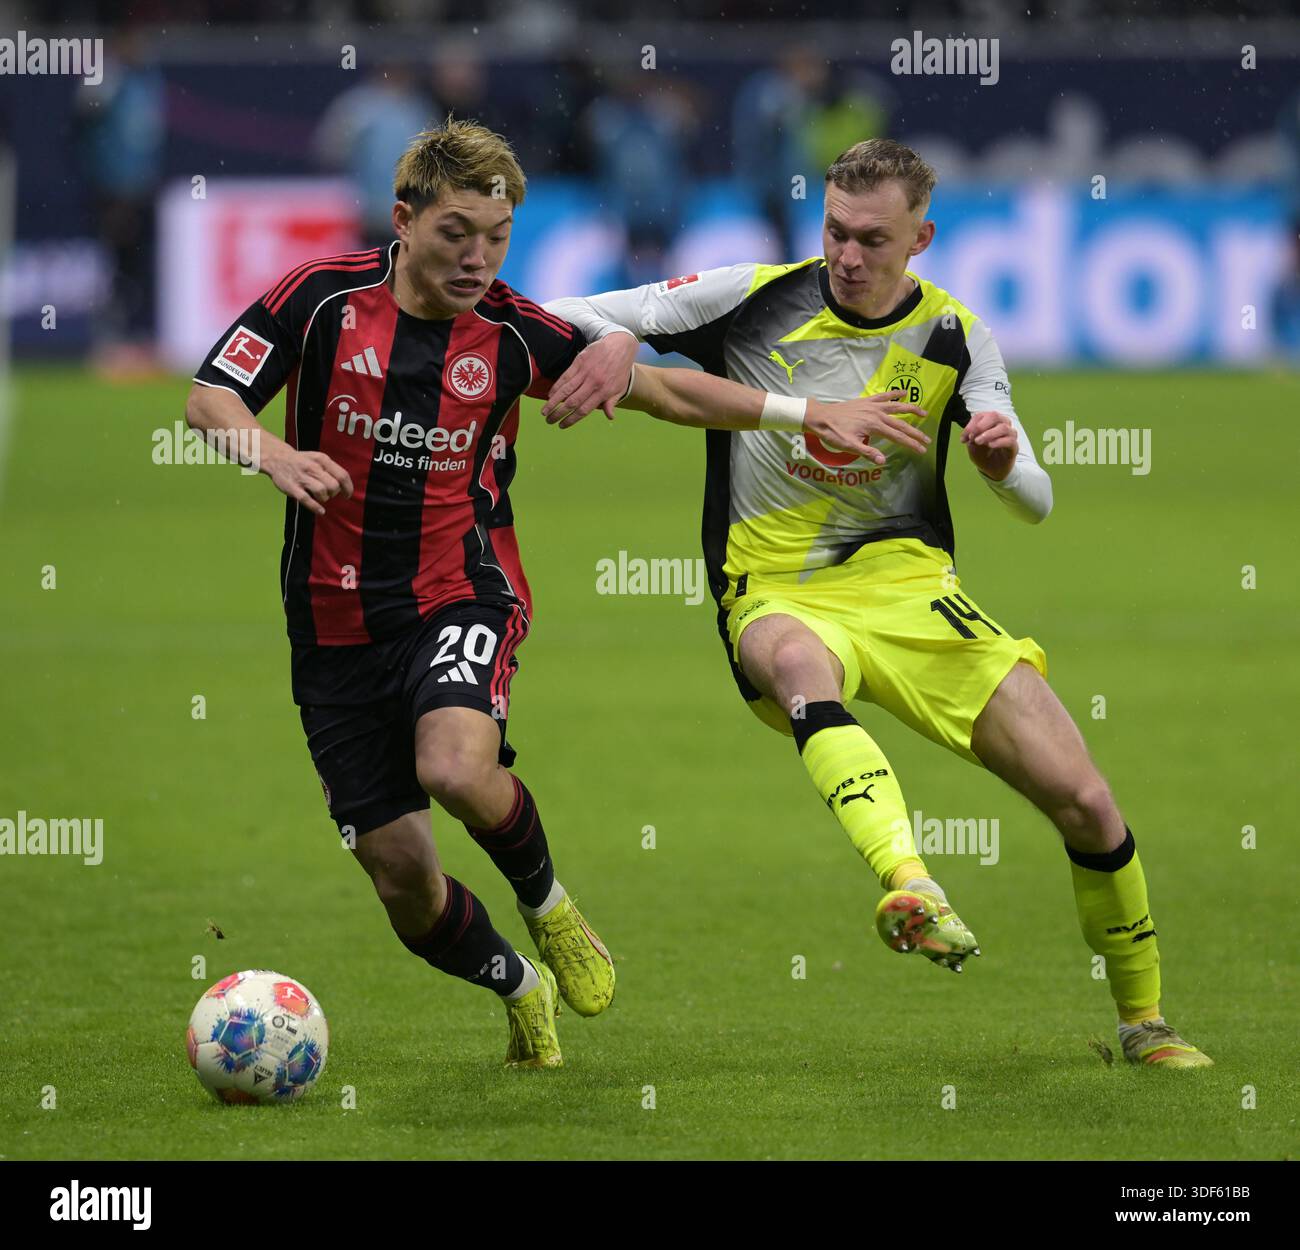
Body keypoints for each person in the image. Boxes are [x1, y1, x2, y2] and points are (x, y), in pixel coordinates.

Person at [183, 119, 905, 1070]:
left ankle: (549, 905)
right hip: (330, 624)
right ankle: (520, 986)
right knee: (404, 884)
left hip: (459, 594)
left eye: (497, 237)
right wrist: (271, 453)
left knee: (454, 768)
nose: (478, 258)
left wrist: (807, 412)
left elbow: (668, 395)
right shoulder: (321, 298)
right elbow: (210, 398)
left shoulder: (513, 332)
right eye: (455, 234)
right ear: (403, 220)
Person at [541, 138, 1213, 1070]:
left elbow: (1037, 499)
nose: (847, 256)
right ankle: (912, 883)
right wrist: (617, 335)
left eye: (872, 240)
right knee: (797, 667)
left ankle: (1146, 1023)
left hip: (912, 591)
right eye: (835, 232)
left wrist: (1001, 465)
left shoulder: (956, 336)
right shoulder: (753, 296)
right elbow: (562, 312)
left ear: (920, 239)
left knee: (1088, 802)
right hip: (773, 586)